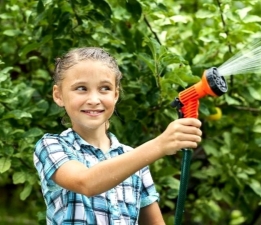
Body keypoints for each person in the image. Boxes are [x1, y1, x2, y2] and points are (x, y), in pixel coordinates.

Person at [33, 47, 202, 225]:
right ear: (58, 95)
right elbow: (85, 182)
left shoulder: (134, 159)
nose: (94, 99)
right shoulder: (51, 146)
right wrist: (160, 145)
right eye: (81, 88)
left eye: (104, 88)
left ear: (115, 95)